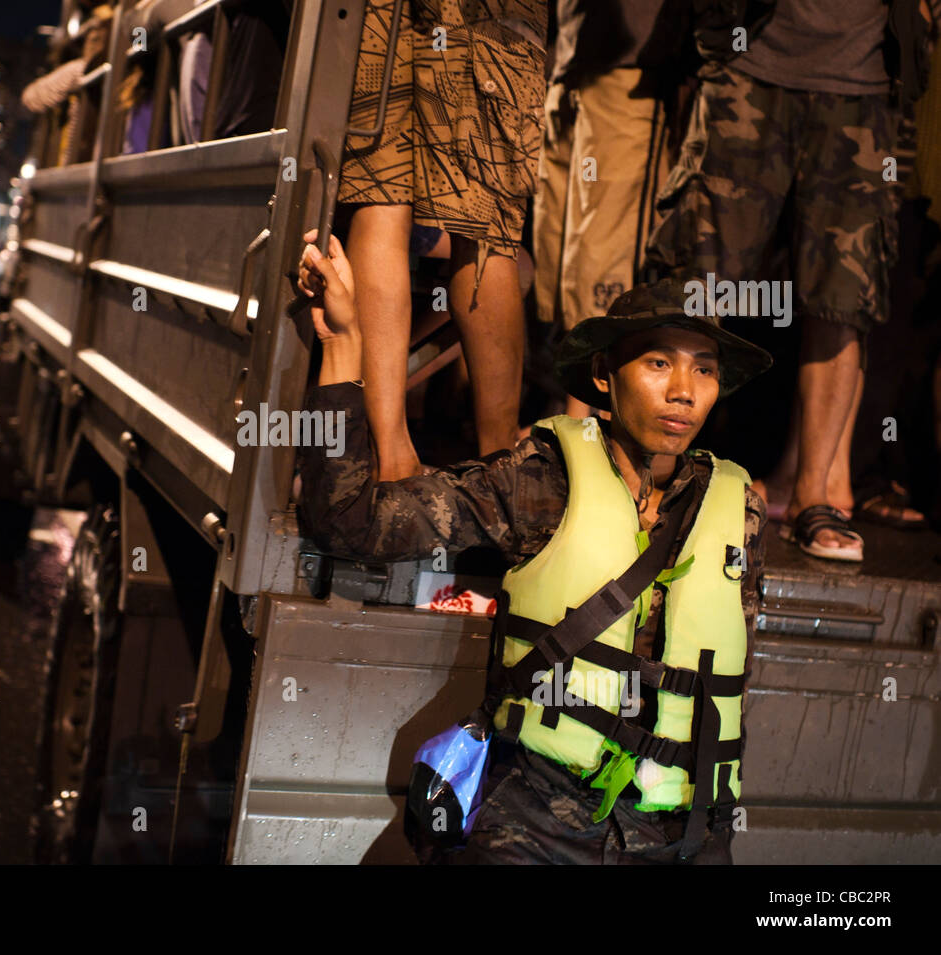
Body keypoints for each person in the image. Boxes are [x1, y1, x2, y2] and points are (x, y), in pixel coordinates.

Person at [294, 230, 771, 864]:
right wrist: (343, 346)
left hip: (685, 836)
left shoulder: (740, 508)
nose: (684, 389)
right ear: (604, 374)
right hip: (540, 827)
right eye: (659, 363)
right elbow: (350, 523)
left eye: (704, 369)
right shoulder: (540, 478)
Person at [643, 0, 936, 561]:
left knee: (844, 301)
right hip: (748, 59)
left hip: (864, 82)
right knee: (698, 287)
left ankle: (812, 497)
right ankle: (656, 481)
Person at [337, 0, 548, 479]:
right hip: (487, 17)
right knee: (486, 226)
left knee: (381, 200)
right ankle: (500, 466)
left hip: (375, 12)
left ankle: (389, 454)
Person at [533, 1, 677, 420]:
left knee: (604, 256)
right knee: (558, 259)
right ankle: (569, 413)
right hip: (569, 59)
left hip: (633, 66)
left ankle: (590, 428)